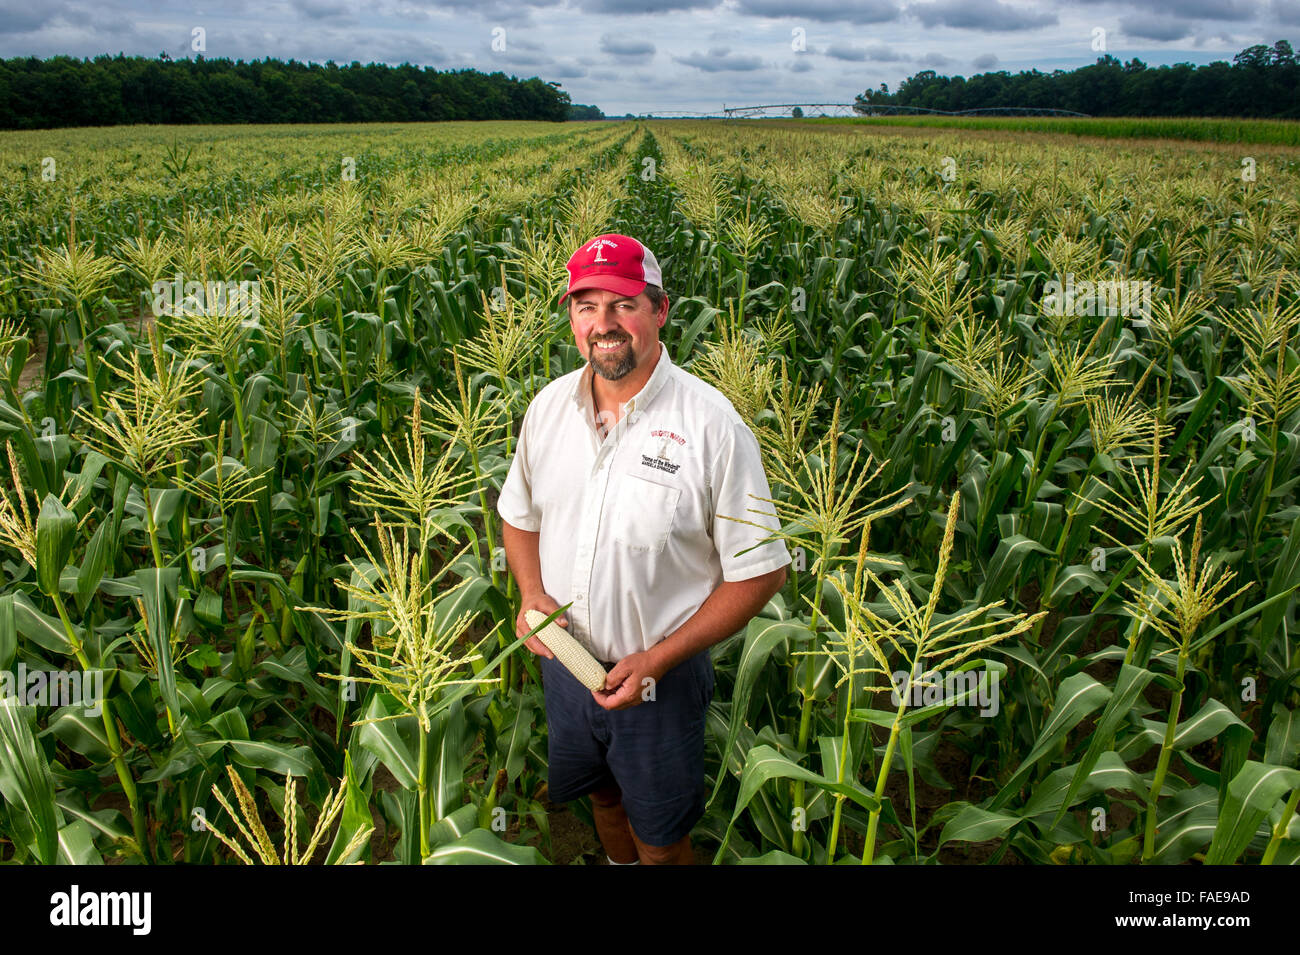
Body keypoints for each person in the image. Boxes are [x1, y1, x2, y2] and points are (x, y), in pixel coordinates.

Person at [496, 232, 790, 865]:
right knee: (603, 799)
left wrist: (656, 659)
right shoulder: (547, 409)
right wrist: (531, 594)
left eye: (623, 304)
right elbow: (517, 518)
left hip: (661, 684)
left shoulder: (712, 426)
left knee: (660, 835)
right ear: (572, 318)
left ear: (659, 311)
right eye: (586, 305)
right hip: (567, 666)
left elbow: (761, 573)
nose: (604, 324)